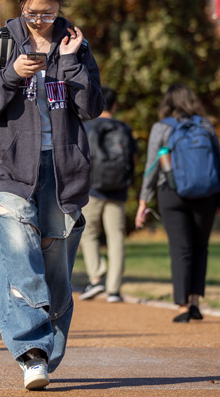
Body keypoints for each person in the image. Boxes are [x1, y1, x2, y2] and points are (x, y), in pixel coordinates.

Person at [0, 0, 104, 391]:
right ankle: (32, 352)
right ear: (21, 5)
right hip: (9, 169)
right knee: (21, 256)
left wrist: (74, 62)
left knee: (57, 266)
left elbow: (92, 107)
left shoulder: (75, 44)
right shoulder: (3, 42)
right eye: (33, 12)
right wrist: (10, 75)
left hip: (63, 171)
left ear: (60, 6)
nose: (41, 20)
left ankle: (48, 351)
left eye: (49, 12)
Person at [134, 83, 220, 323]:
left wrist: (144, 201)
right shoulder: (205, 125)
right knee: (200, 248)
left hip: (172, 193)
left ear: (167, 102)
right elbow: (219, 164)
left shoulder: (161, 128)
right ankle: (195, 302)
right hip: (205, 194)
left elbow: (152, 167)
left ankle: (182, 306)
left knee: (180, 248)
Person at [78, 87, 137, 303]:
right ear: (115, 105)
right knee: (116, 237)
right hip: (118, 191)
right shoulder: (123, 128)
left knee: (89, 233)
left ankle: (96, 276)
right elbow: (133, 159)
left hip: (92, 189)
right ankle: (114, 290)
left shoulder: (86, 127)